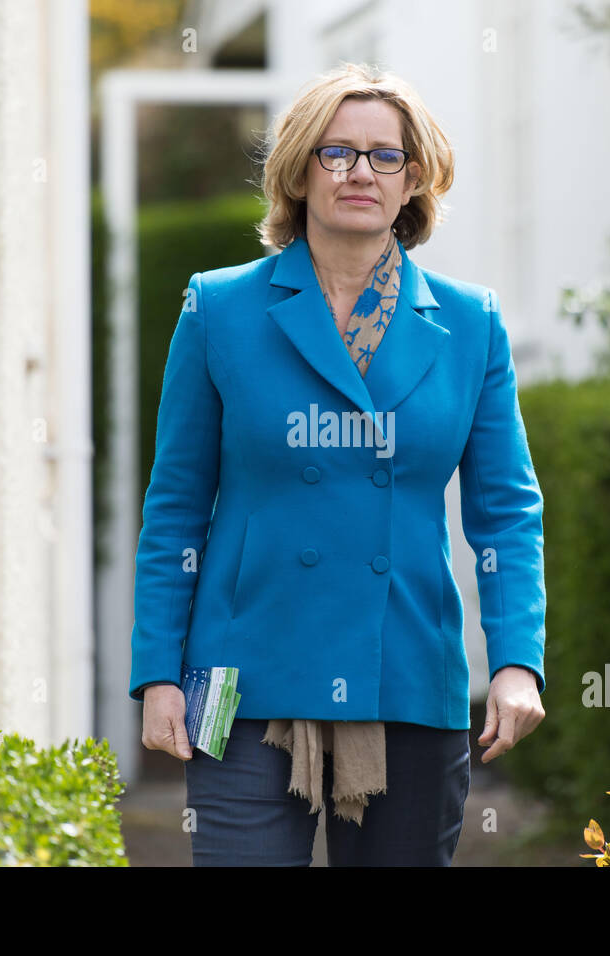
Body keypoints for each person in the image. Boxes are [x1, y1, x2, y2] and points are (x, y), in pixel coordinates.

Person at [130, 62, 546, 866]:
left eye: (384, 155)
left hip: (407, 678)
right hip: (235, 680)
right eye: (335, 152)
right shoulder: (217, 308)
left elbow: (507, 514)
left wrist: (517, 661)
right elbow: (175, 506)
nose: (361, 171)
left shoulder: (471, 324)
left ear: (412, 178)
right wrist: (157, 674)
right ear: (298, 169)